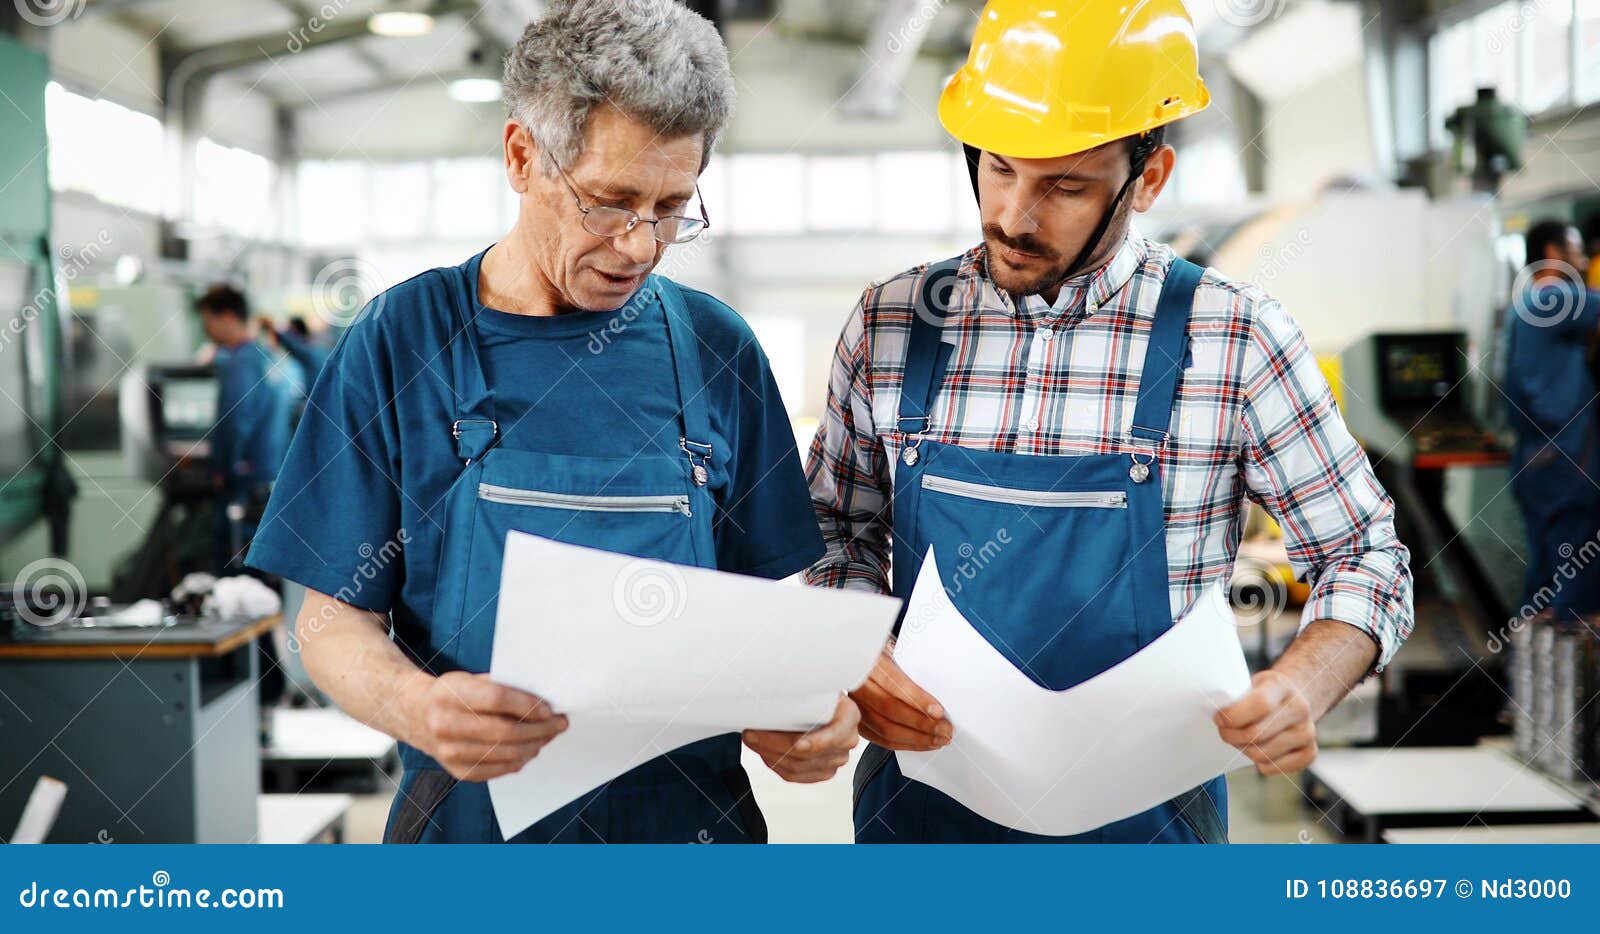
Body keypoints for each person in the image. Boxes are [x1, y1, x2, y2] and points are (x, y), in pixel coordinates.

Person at [245, 0, 856, 844]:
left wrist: (800, 717)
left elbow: (758, 622)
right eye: (610, 202)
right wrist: (418, 706)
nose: (641, 245)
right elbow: (327, 620)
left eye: (672, 206)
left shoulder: (718, 349)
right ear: (522, 156)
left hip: (686, 837)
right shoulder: (402, 342)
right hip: (470, 839)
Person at [805, 0, 1414, 843]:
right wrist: (853, 653)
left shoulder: (1232, 337)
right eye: (1000, 169)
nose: (1015, 216)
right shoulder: (894, 324)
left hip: (1149, 831)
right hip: (921, 814)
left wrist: (1302, 684)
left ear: (1149, 177)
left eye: (1063, 185)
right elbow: (835, 532)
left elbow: (1365, 552)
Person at [195, 283, 304, 714]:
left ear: (225, 316)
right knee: (261, 588)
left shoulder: (240, 364)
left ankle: (259, 689)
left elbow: (233, 422)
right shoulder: (272, 359)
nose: (209, 332)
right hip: (272, 485)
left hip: (243, 492)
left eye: (208, 322)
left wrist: (219, 471)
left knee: (239, 590)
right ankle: (271, 687)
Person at [1502, 219, 1600, 623]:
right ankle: (1574, 680)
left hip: (1535, 459)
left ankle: (1528, 678)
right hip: (1567, 460)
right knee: (1574, 588)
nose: (1582, 260)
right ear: (1554, 253)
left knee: (1543, 581)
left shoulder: (1524, 306)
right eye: (1578, 251)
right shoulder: (1555, 296)